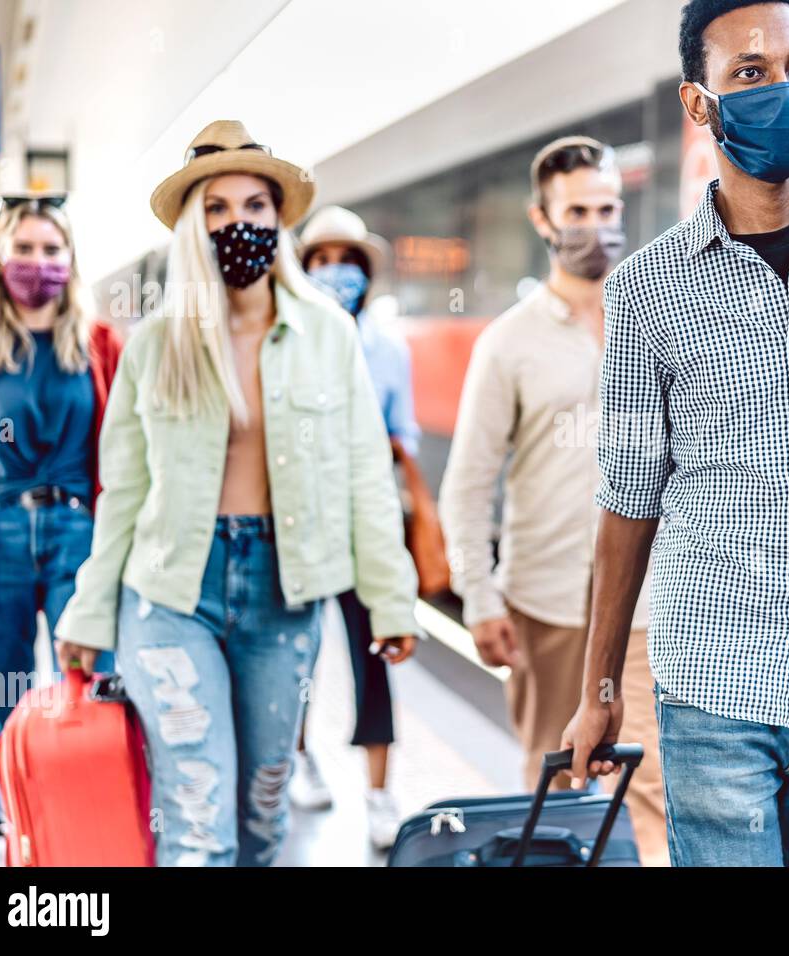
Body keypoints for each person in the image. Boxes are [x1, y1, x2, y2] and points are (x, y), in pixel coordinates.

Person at [560, 0, 789, 867]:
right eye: (751, 73)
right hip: (716, 677)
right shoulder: (650, 289)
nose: (784, 91)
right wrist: (603, 688)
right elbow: (628, 499)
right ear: (701, 104)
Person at [54, 120, 423, 867]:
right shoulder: (157, 344)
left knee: (263, 812)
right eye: (217, 209)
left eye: (254, 205)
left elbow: (363, 475)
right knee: (196, 821)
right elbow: (121, 491)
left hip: (283, 596)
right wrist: (90, 612)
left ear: (277, 219)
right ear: (194, 226)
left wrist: (390, 598)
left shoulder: (325, 334)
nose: (238, 224)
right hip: (169, 596)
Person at [439, 136, 669, 866]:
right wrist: (479, 597)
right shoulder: (509, 344)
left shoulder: (656, 323)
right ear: (542, 220)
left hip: (647, 604)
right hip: (546, 604)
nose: (596, 226)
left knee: (659, 788)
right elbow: (470, 481)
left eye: (608, 208)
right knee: (559, 791)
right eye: (578, 211)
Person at [0, 193, 121, 799]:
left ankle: (92, 826)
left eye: (51, 249)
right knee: (5, 698)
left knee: (93, 689)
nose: (38, 261)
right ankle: (22, 832)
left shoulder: (100, 345)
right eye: (23, 249)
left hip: (79, 534)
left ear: (71, 260)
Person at [290, 204, 429, 847]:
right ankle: (297, 758)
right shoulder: (286, 336)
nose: (335, 272)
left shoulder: (386, 347)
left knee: (373, 655)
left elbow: (401, 437)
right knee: (295, 652)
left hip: (364, 514)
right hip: (299, 513)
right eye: (320, 260)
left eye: (346, 261)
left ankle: (377, 792)